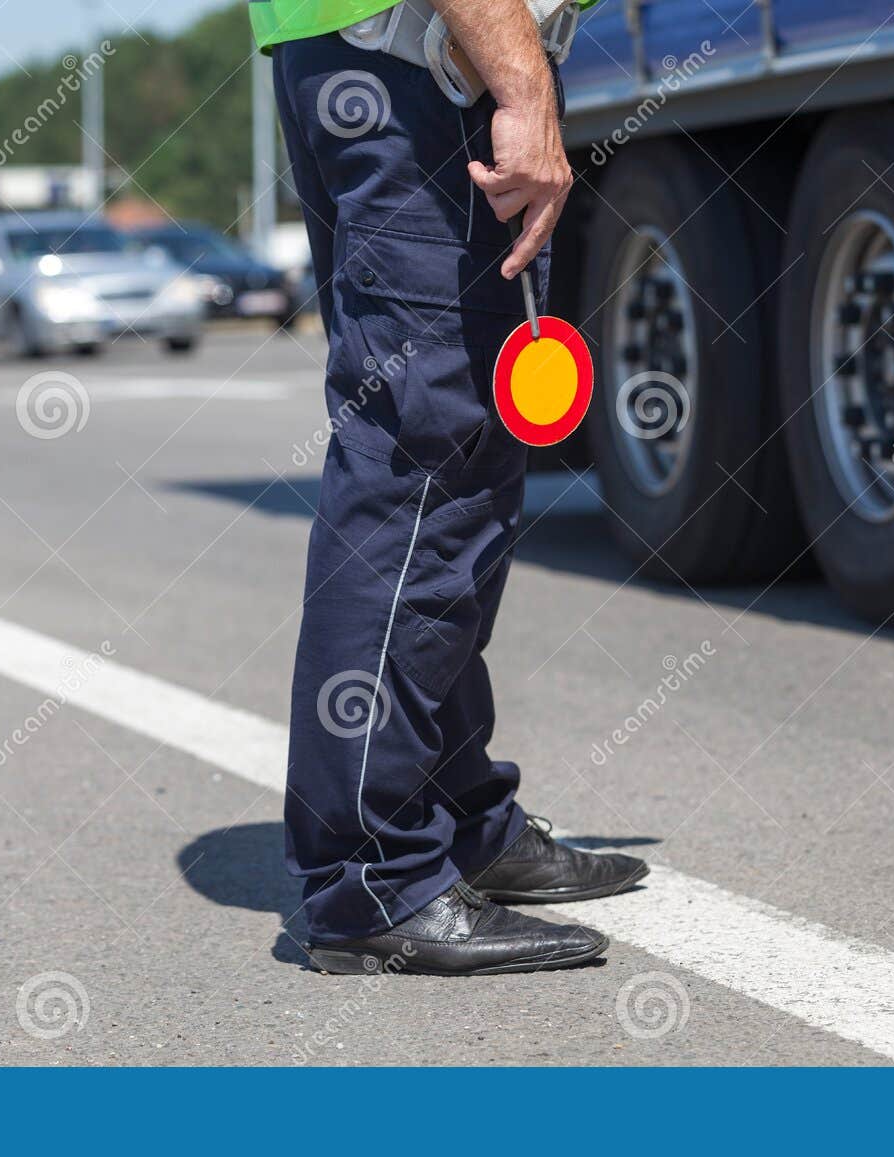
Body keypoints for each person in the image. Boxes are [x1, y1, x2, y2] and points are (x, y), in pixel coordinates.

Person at [252, 0, 649, 976]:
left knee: (459, 469)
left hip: (386, 61)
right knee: (421, 468)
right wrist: (521, 83)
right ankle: (374, 874)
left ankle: (455, 815)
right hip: (425, 68)